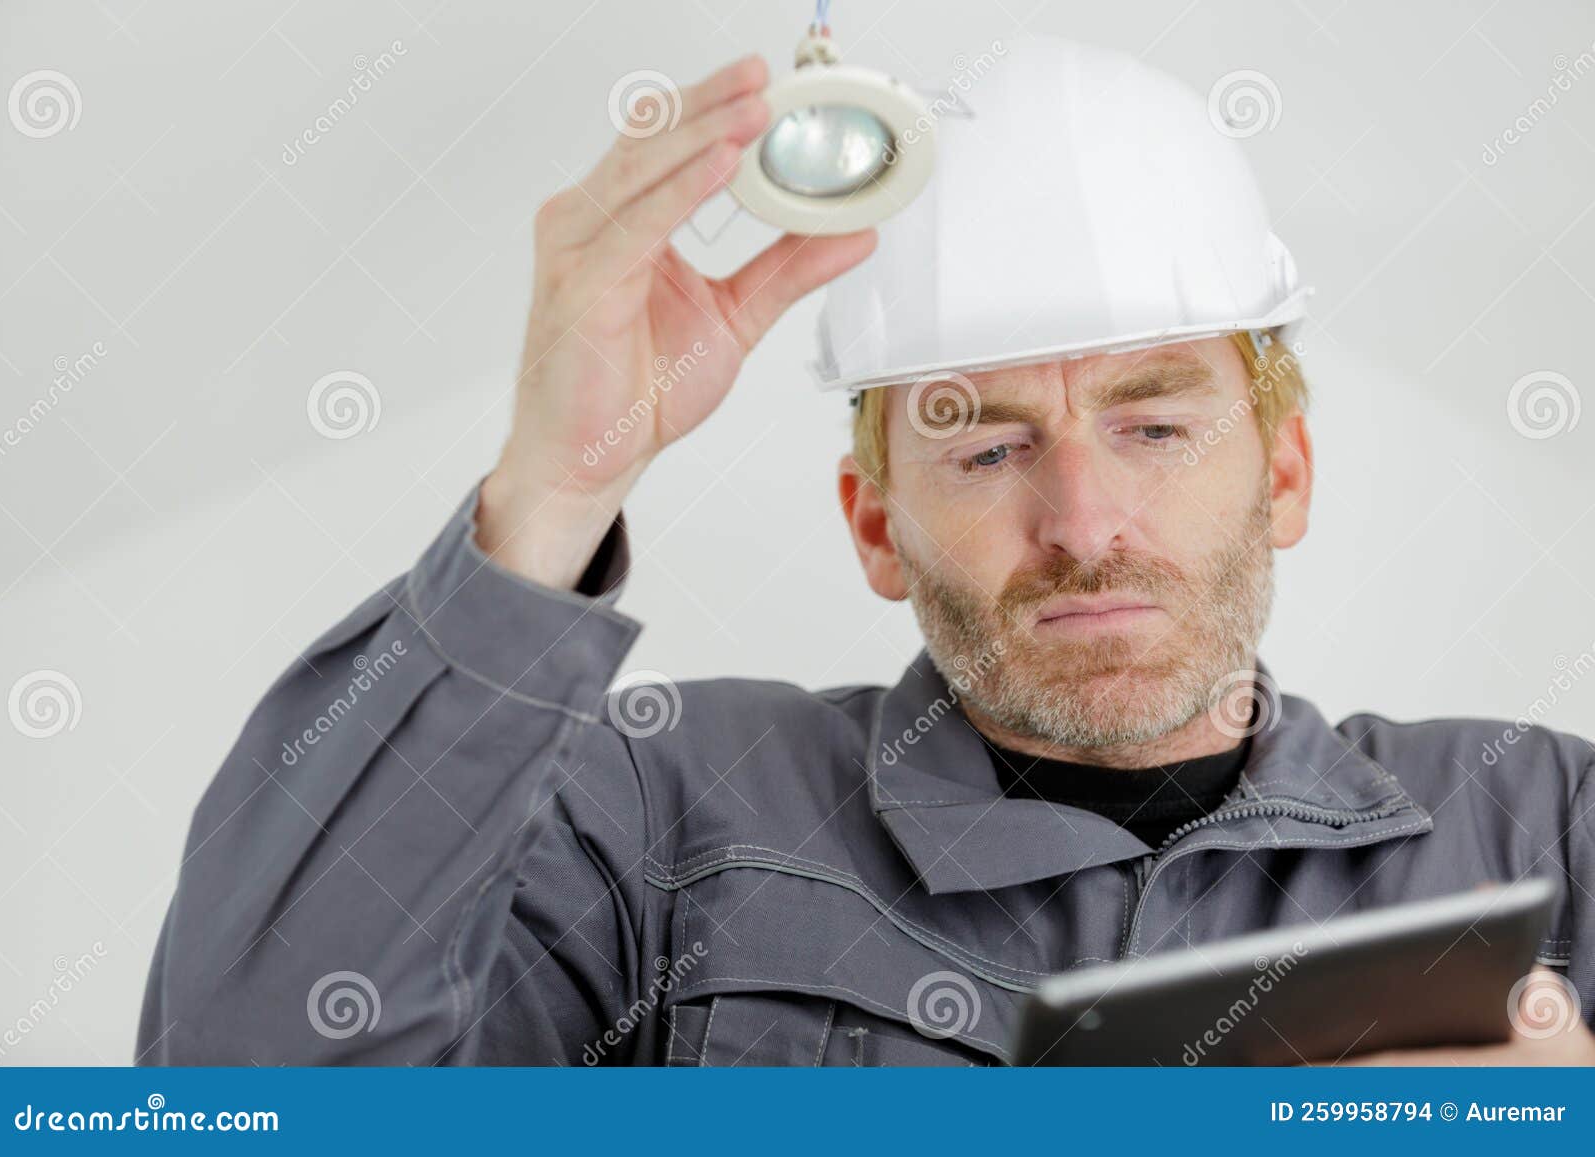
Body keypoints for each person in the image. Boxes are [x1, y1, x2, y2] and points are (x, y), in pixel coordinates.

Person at [139, 37, 1594, 1066]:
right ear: (874, 524)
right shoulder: (652, 817)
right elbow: (245, 1094)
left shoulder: (1541, 828)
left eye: (1154, 429)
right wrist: (551, 491)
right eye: (986, 444)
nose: (1083, 523)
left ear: (1282, 473)